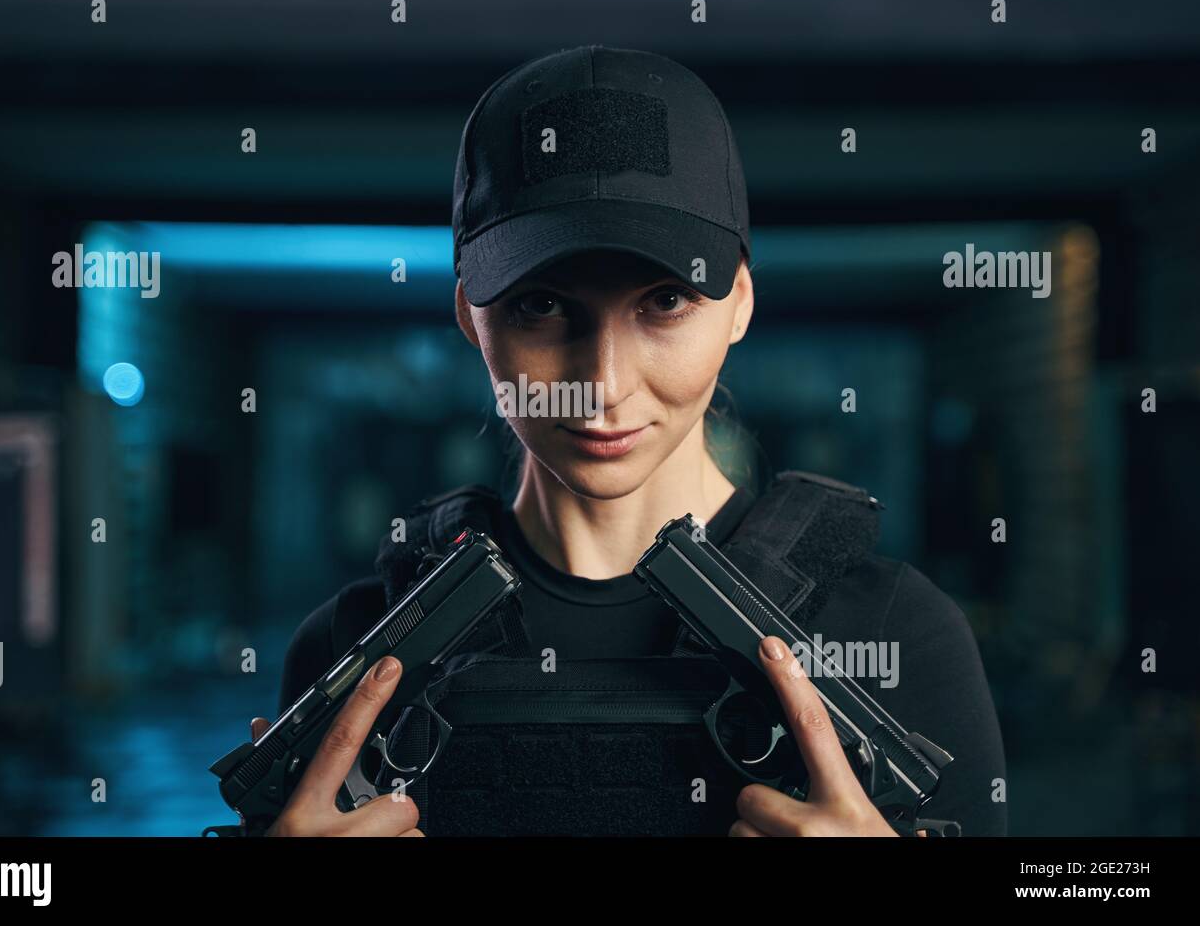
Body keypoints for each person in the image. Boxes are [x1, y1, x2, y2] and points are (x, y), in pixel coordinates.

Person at [249, 45, 1007, 837]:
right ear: (470, 315)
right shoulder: (358, 652)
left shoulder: (894, 631)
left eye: (666, 300)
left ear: (740, 302)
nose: (603, 383)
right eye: (542, 305)